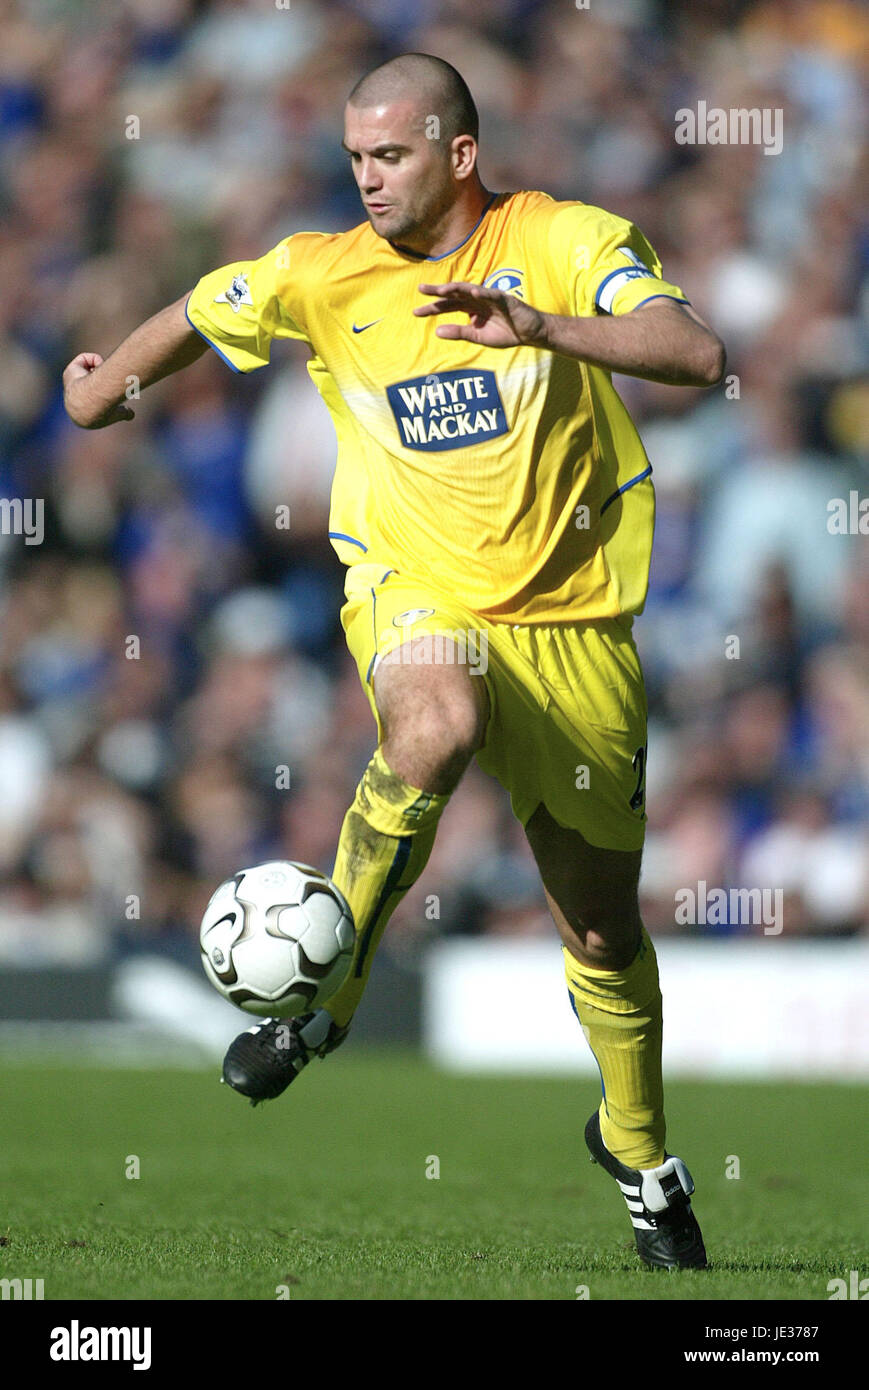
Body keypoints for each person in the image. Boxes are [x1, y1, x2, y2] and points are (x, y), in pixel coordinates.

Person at [63, 53, 725, 1270]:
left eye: (392, 156)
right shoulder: (326, 271)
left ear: (458, 154)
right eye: (355, 157)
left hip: (573, 625)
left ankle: (637, 1152)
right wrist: (110, 383)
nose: (365, 179)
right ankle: (322, 1004)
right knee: (432, 727)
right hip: (413, 588)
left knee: (595, 931)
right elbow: (210, 307)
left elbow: (692, 352)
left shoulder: (567, 240)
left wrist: (541, 326)